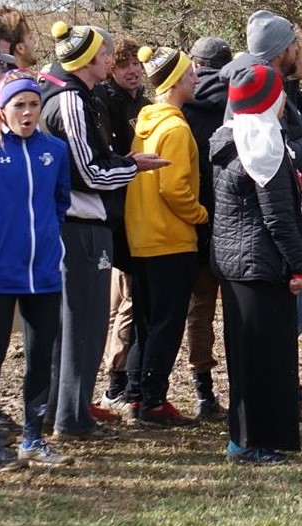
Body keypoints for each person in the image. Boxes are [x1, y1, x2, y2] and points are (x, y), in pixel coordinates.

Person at [40, 21, 166, 440]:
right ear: (90, 60)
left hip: (82, 222)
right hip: (79, 224)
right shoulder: (71, 101)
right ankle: (69, 416)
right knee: (82, 324)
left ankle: (63, 411)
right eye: (107, 55)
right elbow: (89, 171)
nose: (113, 60)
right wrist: (133, 166)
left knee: (82, 322)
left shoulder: (79, 96)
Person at [211, 64, 302, 464]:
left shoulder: (227, 138)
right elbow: (278, 216)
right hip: (261, 264)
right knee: (265, 357)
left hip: (235, 263)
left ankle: (246, 437)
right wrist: (299, 264)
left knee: (246, 356)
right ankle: (253, 441)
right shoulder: (262, 145)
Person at [0, 72, 74, 470]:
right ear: (1, 110)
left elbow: (60, 202)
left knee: (41, 355)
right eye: (18, 105)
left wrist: (49, 242)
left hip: (44, 274)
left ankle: (33, 438)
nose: (27, 112)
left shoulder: (54, 150)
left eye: (33, 105)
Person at [123, 45, 208, 426]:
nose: (197, 78)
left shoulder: (145, 124)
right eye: (191, 74)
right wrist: (201, 214)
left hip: (140, 238)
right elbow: (174, 188)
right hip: (170, 239)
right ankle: (155, 401)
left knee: (146, 321)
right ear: (174, 82)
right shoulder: (174, 128)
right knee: (167, 323)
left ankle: (137, 396)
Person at [94, 35, 151, 418]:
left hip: (141, 211)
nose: (132, 70)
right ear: (110, 68)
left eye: (136, 64)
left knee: (132, 299)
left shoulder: (144, 105)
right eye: (123, 64)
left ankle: (126, 379)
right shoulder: (105, 103)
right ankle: (115, 383)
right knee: (124, 301)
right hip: (114, 213)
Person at [181, 36, 232, 419]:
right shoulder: (239, 105)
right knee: (238, 310)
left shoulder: (181, 108)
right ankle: (246, 386)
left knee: (199, 310)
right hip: (234, 221)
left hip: (194, 219)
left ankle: (203, 392)